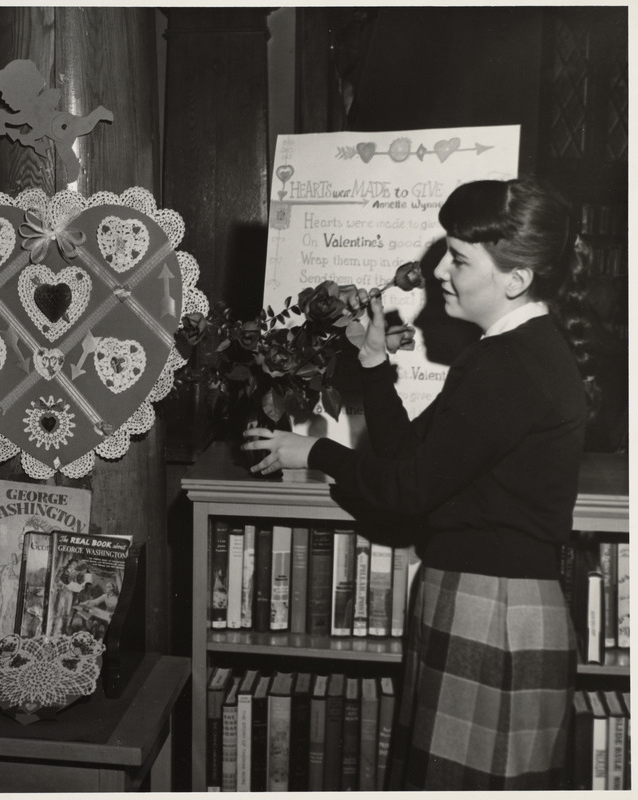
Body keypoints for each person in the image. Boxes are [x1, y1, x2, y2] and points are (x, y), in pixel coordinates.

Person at [243, 177, 597, 790]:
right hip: (475, 599)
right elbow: (412, 456)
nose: (440, 270)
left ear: (515, 279)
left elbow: (406, 490)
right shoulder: (504, 354)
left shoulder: (514, 364)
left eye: (459, 259)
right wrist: (375, 363)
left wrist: (317, 449)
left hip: (494, 611)